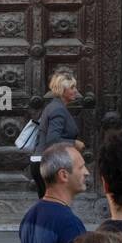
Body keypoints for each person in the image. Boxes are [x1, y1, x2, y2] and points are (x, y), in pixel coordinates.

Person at [28, 70, 84, 199]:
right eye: (72, 87)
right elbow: (52, 140)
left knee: (49, 203)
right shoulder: (57, 109)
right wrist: (74, 143)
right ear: (62, 90)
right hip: (45, 164)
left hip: (45, 162)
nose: (76, 90)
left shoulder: (56, 107)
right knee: (53, 203)